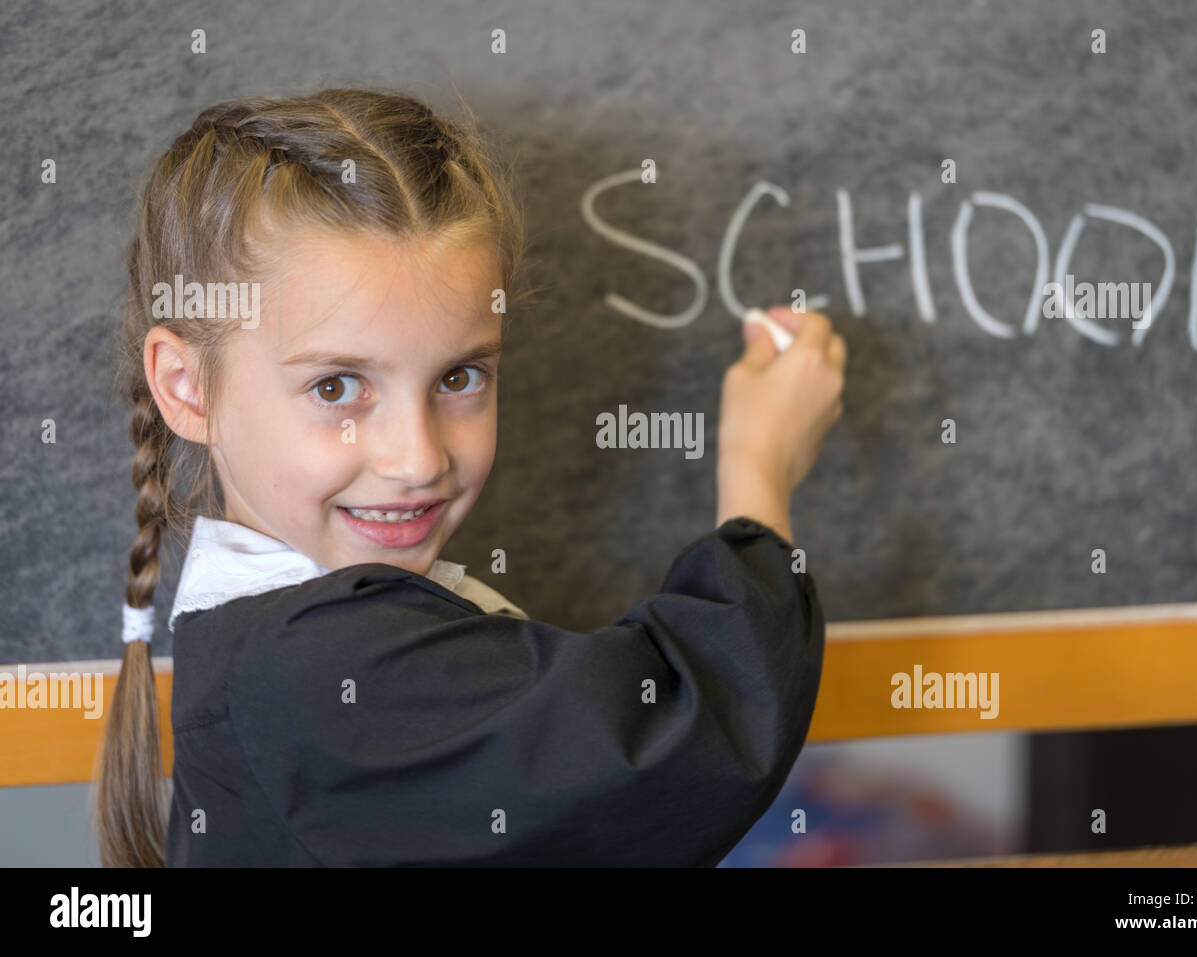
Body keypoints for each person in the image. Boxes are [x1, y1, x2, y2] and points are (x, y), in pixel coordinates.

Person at [93, 88, 847, 867]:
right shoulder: (318, 673)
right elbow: (687, 732)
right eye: (335, 387)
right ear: (188, 388)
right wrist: (759, 465)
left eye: (460, 376)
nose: (418, 458)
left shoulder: (291, 644)